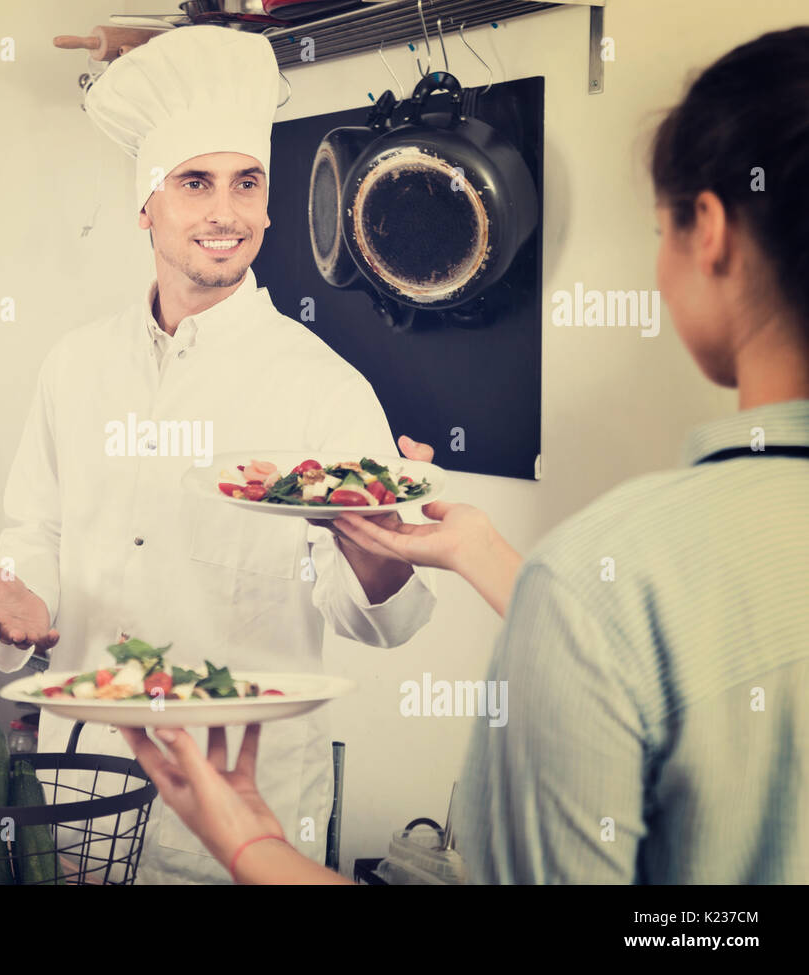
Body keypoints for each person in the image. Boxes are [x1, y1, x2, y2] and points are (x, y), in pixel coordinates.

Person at [122, 25, 809, 884]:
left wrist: (251, 842)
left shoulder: (610, 580)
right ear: (146, 204)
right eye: (195, 182)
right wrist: (484, 551)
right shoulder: (610, 590)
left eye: (657, 225)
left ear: (708, 232)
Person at [0, 25, 439, 884]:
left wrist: (380, 548)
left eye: (246, 183)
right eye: (195, 183)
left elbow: (378, 618)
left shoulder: (325, 386)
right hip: (84, 794)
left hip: (245, 807)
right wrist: (16, 606)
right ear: (147, 205)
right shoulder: (76, 365)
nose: (226, 212)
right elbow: (36, 532)